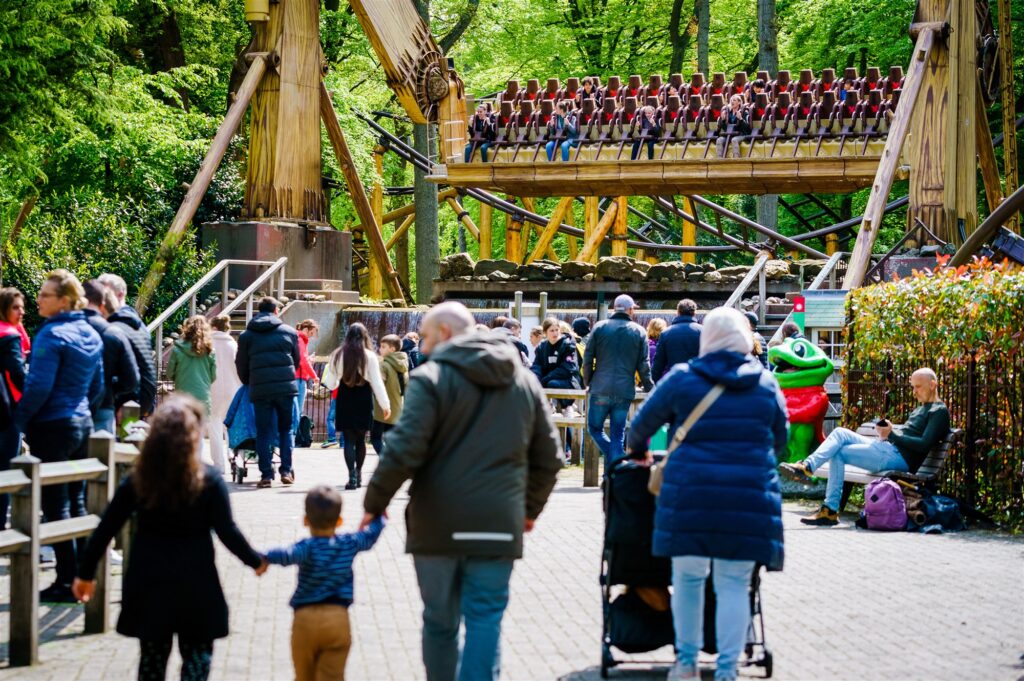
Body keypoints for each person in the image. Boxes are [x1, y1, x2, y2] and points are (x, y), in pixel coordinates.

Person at [361, 302, 562, 681]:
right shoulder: (523, 381)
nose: (421, 344)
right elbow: (550, 459)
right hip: (499, 522)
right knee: (486, 618)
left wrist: (375, 503)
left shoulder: (431, 378)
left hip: (438, 524)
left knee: (439, 622)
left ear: (446, 335)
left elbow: (404, 449)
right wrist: (529, 509)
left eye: (424, 336)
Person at [626, 307, 787, 681]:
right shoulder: (765, 383)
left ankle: (685, 663)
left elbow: (639, 428)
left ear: (707, 337)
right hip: (748, 500)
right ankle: (727, 669)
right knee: (734, 584)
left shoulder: (683, 378)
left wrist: (640, 454)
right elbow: (779, 441)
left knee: (687, 579)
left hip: (689, 498)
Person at [73, 396, 265, 681]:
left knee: (152, 660)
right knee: (197, 660)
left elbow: (105, 529)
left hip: (149, 580)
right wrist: (255, 560)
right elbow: (227, 531)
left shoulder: (138, 480)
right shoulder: (208, 481)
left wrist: (85, 574)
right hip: (197, 582)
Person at [15, 270, 103, 602]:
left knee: (55, 506)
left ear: (63, 301)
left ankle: (66, 580)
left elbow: (38, 386)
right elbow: (98, 386)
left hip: (53, 426)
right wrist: (83, 411)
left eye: (44, 295)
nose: (37, 299)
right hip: (81, 423)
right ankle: (83, 576)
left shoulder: (51, 336)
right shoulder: (90, 333)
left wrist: (19, 421)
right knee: (78, 501)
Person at [781, 367, 951, 526]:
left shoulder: (938, 411)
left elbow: (923, 445)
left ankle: (829, 509)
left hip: (898, 458)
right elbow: (906, 437)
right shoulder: (922, 409)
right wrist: (887, 433)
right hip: (887, 448)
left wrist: (891, 434)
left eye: (918, 387)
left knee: (838, 452)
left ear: (933, 384)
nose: (914, 392)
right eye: (913, 387)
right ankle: (807, 467)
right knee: (840, 432)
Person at [263, 485, 384, 681]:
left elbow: (285, 555)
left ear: (305, 520)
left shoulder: (306, 548)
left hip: (305, 620)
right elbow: (370, 537)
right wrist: (379, 517)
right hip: (337, 619)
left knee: (304, 676)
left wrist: (261, 557)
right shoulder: (349, 543)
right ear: (339, 520)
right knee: (333, 677)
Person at [235, 296, 301, 489]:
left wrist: (249, 381)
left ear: (258, 311)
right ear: (276, 311)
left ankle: (265, 475)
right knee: (285, 429)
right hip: (285, 389)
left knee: (262, 432)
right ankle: (286, 471)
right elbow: (296, 361)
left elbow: (241, 364)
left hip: (260, 389)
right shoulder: (289, 332)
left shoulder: (247, 336)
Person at [583, 295, 653, 467]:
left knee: (594, 429)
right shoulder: (639, 331)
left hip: (600, 388)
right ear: (629, 310)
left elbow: (587, 357)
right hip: (624, 390)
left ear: (615, 308)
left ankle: (617, 464)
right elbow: (643, 364)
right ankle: (618, 466)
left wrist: (588, 381)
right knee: (617, 435)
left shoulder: (599, 327)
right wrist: (649, 387)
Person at [321, 323, 390, 490]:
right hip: (364, 398)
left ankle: (351, 475)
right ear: (365, 336)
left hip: (345, 398)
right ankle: (359, 474)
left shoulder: (337, 354)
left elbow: (330, 383)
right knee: (361, 441)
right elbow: (377, 383)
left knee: (349, 439)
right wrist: (385, 405)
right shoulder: (369, 356)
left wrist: (337, 378)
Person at [82, 280, 139, 434]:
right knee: (102, 453)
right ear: (102, 304)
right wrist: (110, 388)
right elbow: (131, 380)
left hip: (70, 407)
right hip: (103, 404)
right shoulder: (113, 333)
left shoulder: (65, 328)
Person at [98, 273, 157, 418]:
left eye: (105, 295)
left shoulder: (115, 327)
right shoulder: (137, 323)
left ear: (120, 294)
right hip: (140, 402)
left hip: (127, 406)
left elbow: (131, 375)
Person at [0, 287, 28, 530]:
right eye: (15, 307)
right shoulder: (9, 335)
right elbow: (17, 373)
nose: (21, 312)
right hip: (7, 410)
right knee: (6, 467)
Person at [531, 317, 583, 417]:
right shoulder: (542, 347)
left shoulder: (568, 345)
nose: (555, 333)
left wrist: (547, 378)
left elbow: (568, 368)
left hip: (568, 381)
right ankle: (546, 406)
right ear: (545, 333)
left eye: (556, 330)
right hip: (547, 381)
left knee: (552, 383)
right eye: (551, 330)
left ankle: (568, 406)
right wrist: (534, 378)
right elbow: (537, 365)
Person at [166, 316, 217, 415]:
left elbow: (169, 373)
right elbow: (213, 377)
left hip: (182, 397)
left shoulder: (177, 349)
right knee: (201, 428)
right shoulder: (210, 351)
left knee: (182, 428)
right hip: (203, 397)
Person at [210, 315, 241, 474]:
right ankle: (234, 458)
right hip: (233, 390)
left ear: (213, 327)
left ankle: (219, 465)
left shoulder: (208, 344)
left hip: (213, 390)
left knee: (214, 427)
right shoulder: (233, 344)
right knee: (231, 427)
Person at [369, 334, 408, 455]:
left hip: (382, 410)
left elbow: (377, 386)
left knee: (376, 438)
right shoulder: (404, 366)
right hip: (397, 409)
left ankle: (387, 463)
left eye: (383, 346)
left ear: (392, 349)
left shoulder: (384, 366)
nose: (380, 349)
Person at [652, 299, 703, 383]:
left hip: (675, 382)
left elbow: (658, 364)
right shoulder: (703, 331)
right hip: (698, 383)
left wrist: (653, 385)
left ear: (678, 313)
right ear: (694, 313)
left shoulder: (666, 333)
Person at [295, 319, 320, 433]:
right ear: (305, 329)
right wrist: (314, 376)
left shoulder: (296, 339)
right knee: (297, 411)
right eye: (311, 333)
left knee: (294, 410)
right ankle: (292, 438)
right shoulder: (300, 340)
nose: (311, 337)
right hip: (299, 379)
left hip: (295, 377)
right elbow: (303, 361)